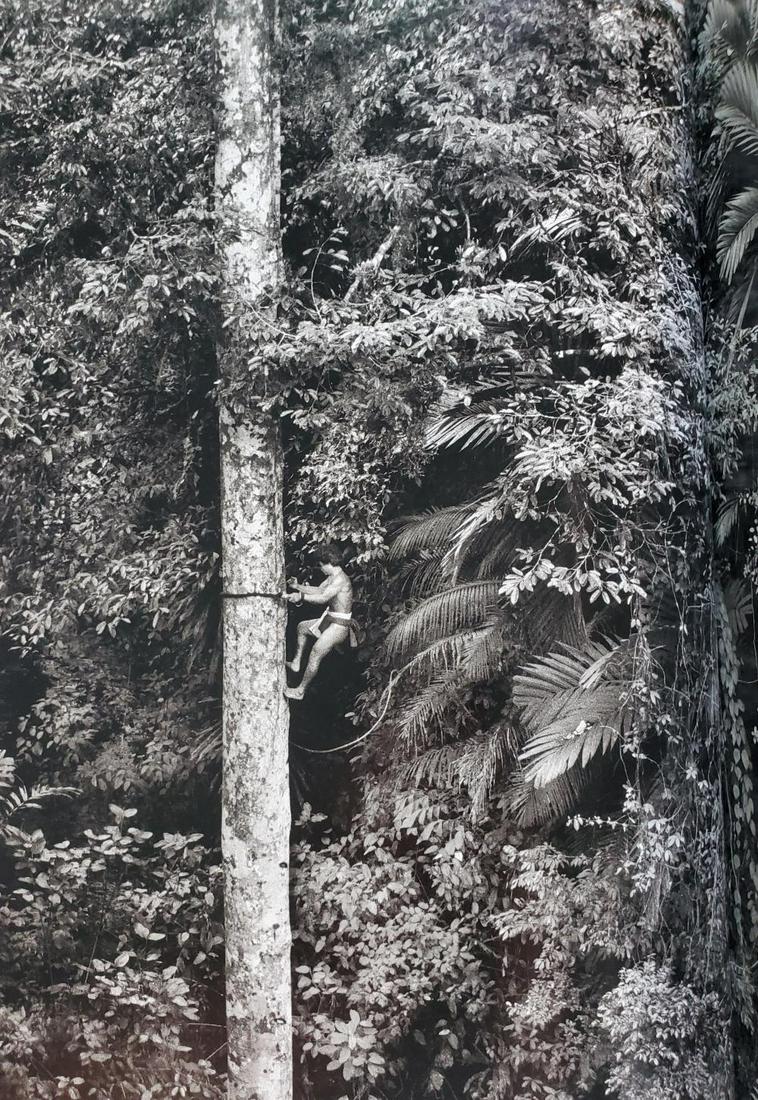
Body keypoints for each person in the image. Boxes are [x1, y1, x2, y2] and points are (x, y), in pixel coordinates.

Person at [283, 543, 354, 700]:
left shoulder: (340, 580)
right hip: (330, 620)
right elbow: (319, 590)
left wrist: (300, 597)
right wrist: (298, 587)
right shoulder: (331, 578)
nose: (320, 569)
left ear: (329, 562)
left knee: (315, 653)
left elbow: (323, 598)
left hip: (339, 626)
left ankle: (300, 691)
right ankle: (296, 663)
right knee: (302, 627)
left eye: (321, 565)